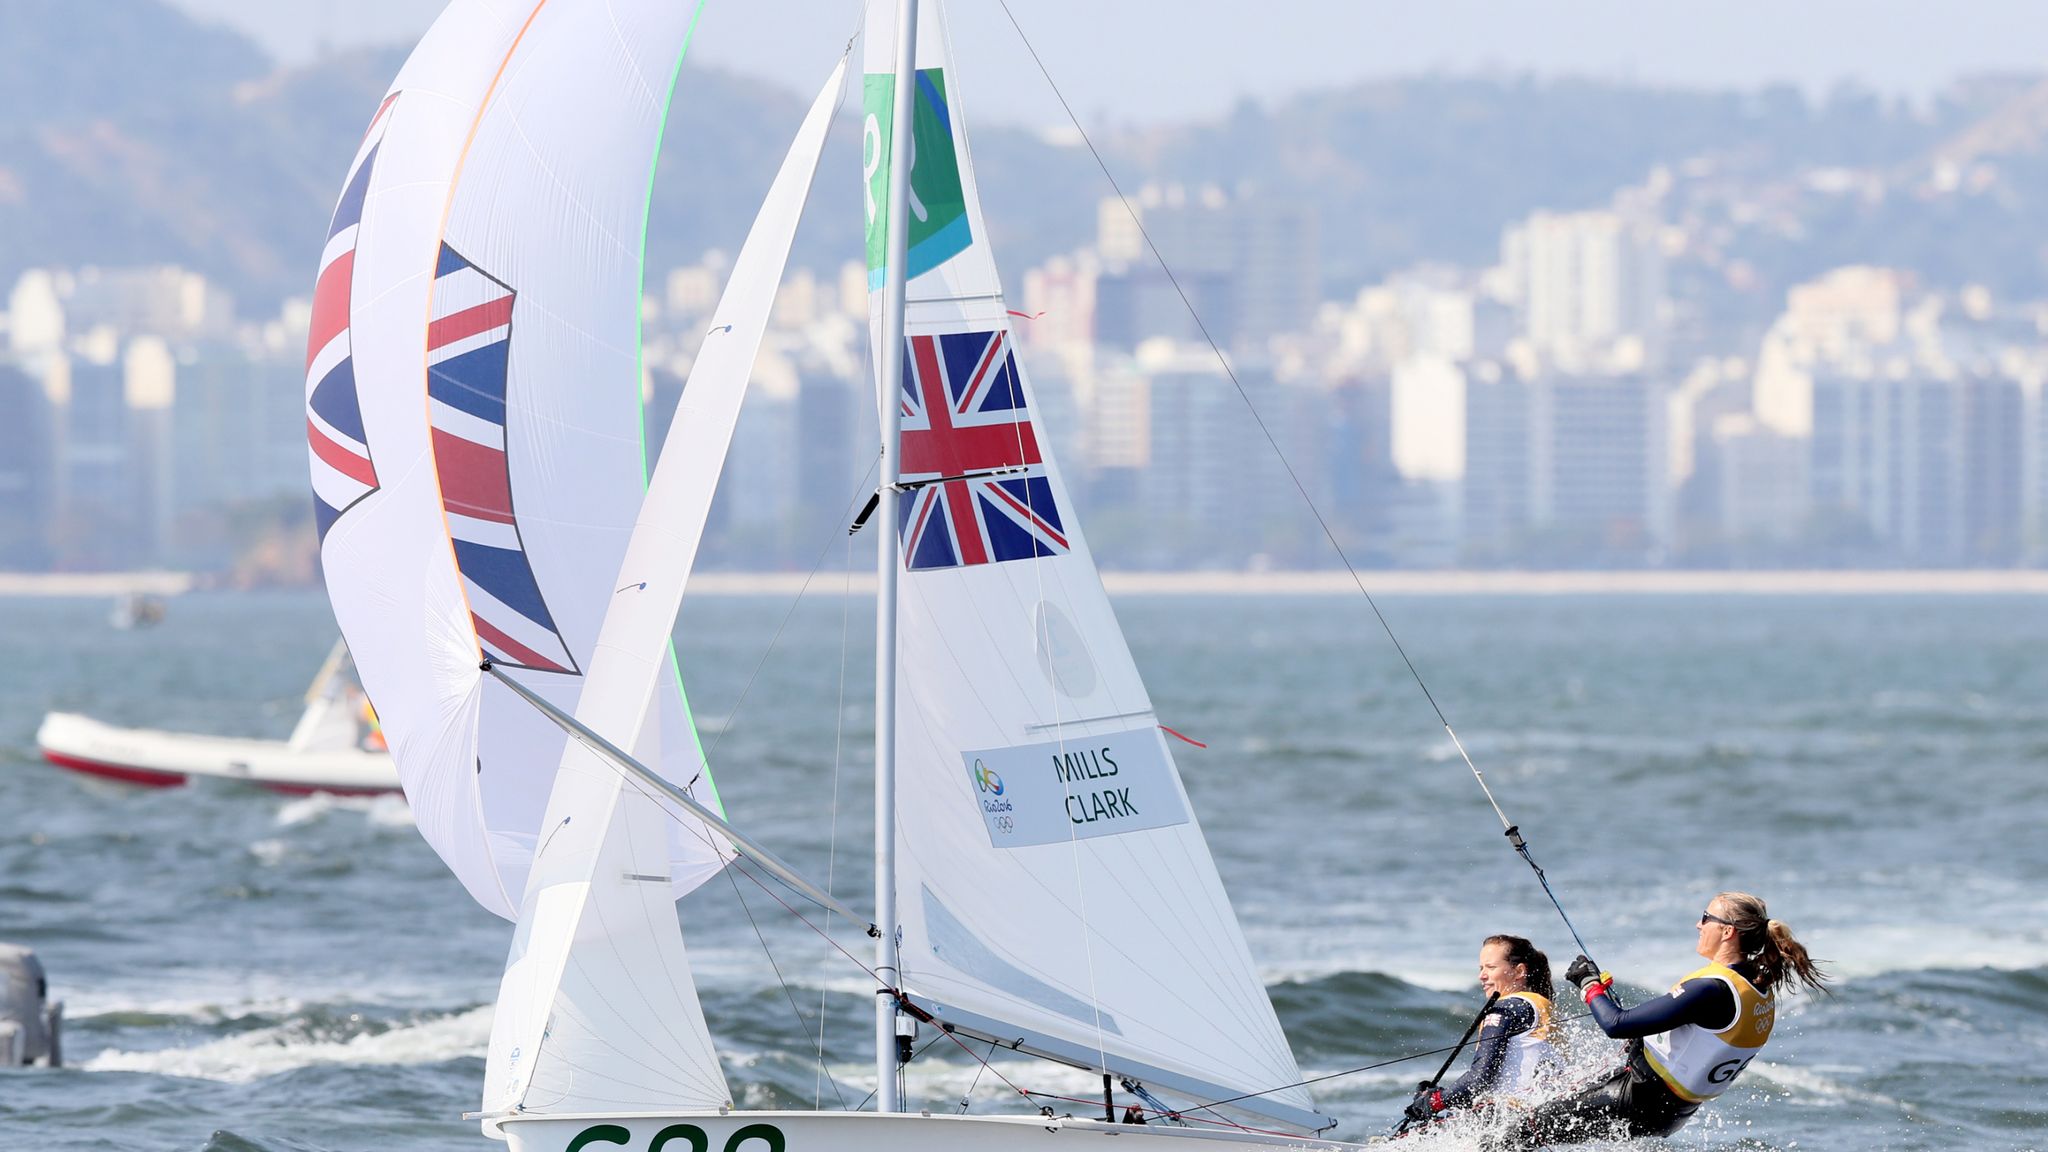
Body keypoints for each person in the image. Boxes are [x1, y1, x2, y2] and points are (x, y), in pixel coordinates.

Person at [1501, 892, 1829, 1148]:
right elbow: (1696, 1038)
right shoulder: (1757, 987)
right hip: (1670, 1111)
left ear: (1727, 931)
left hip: (1640, 1099)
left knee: (1518, 1134)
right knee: (1538, 1126)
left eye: (1706, 918)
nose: (1699, 925)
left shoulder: (1712, 989)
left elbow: (1616, 1024)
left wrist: (1588, 985)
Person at [1404, 934, 1563, 1125]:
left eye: (1491, 967)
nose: (1482, 975)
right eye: (1481, 968)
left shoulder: (1505, 1008)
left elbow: (1480, 1079)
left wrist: (1434, 1102)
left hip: (1509, 1117)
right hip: (1540, 1113)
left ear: (1519, 971)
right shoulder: (1543, 1006)